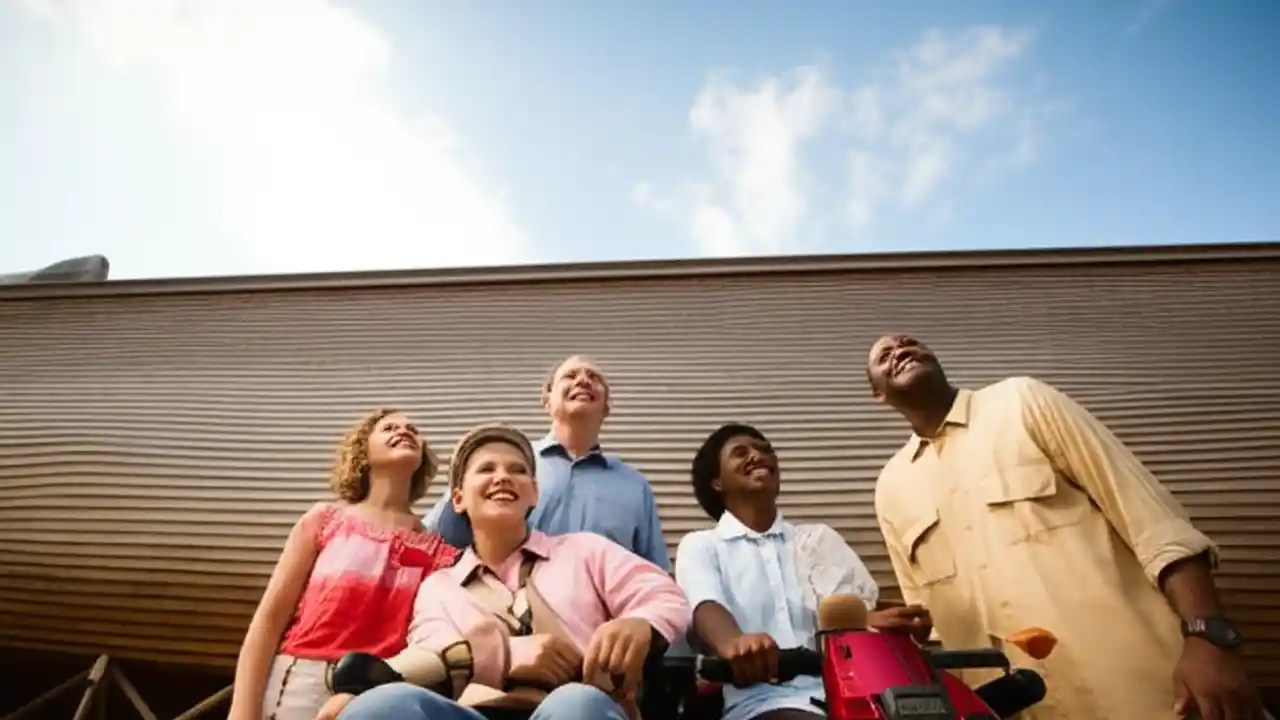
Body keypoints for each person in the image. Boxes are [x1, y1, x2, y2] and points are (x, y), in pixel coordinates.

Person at [866, 334, 1266, 720]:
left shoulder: (1021, 402)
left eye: (909, 342)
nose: (900, 348)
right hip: (1010, 706)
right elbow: (930, 629)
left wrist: (1209, 637)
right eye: (883, 356)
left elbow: (1154, 523)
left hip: (1150, 692)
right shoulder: (892, 487)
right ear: (878, 394)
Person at [333, 422, 692, 720]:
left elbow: (664, 595)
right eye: (486, 469)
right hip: (474, 711)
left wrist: (641, 622)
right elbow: (434, 653)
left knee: (575, 704)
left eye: (518, 470)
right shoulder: (439, 587)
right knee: (380, 706)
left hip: (578, 706)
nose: (503, 477)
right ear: (457, 498)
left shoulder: (586, 550)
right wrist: (508, 655)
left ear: (534, 493)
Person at [675, 423, 932, 720]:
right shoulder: (702, 546)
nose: (758, 456)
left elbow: (850, 618)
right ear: (717, 482)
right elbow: (706, 606)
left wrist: (891, 626)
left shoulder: (818, 539)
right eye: (740, 452)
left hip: (862, 695)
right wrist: (733, 642)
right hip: (763, 704)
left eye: (765, 450)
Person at [228, 409, 461, 720]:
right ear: (363, 451)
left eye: (413, 429)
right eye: (389, 427)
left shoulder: (438, 552)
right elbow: (268, 621)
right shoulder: (324, 521)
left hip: (376, 695)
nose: (405, 431)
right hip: (299, 685)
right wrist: (242, 710)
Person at [424, 355, 670, 571]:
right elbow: (433, 537)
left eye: (594, 377)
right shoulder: (504, 462)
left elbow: (656, 574)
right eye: (570, 375)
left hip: (606, 620)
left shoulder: (634, 486)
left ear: (606, 407)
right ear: (547, 401)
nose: (583, 380)